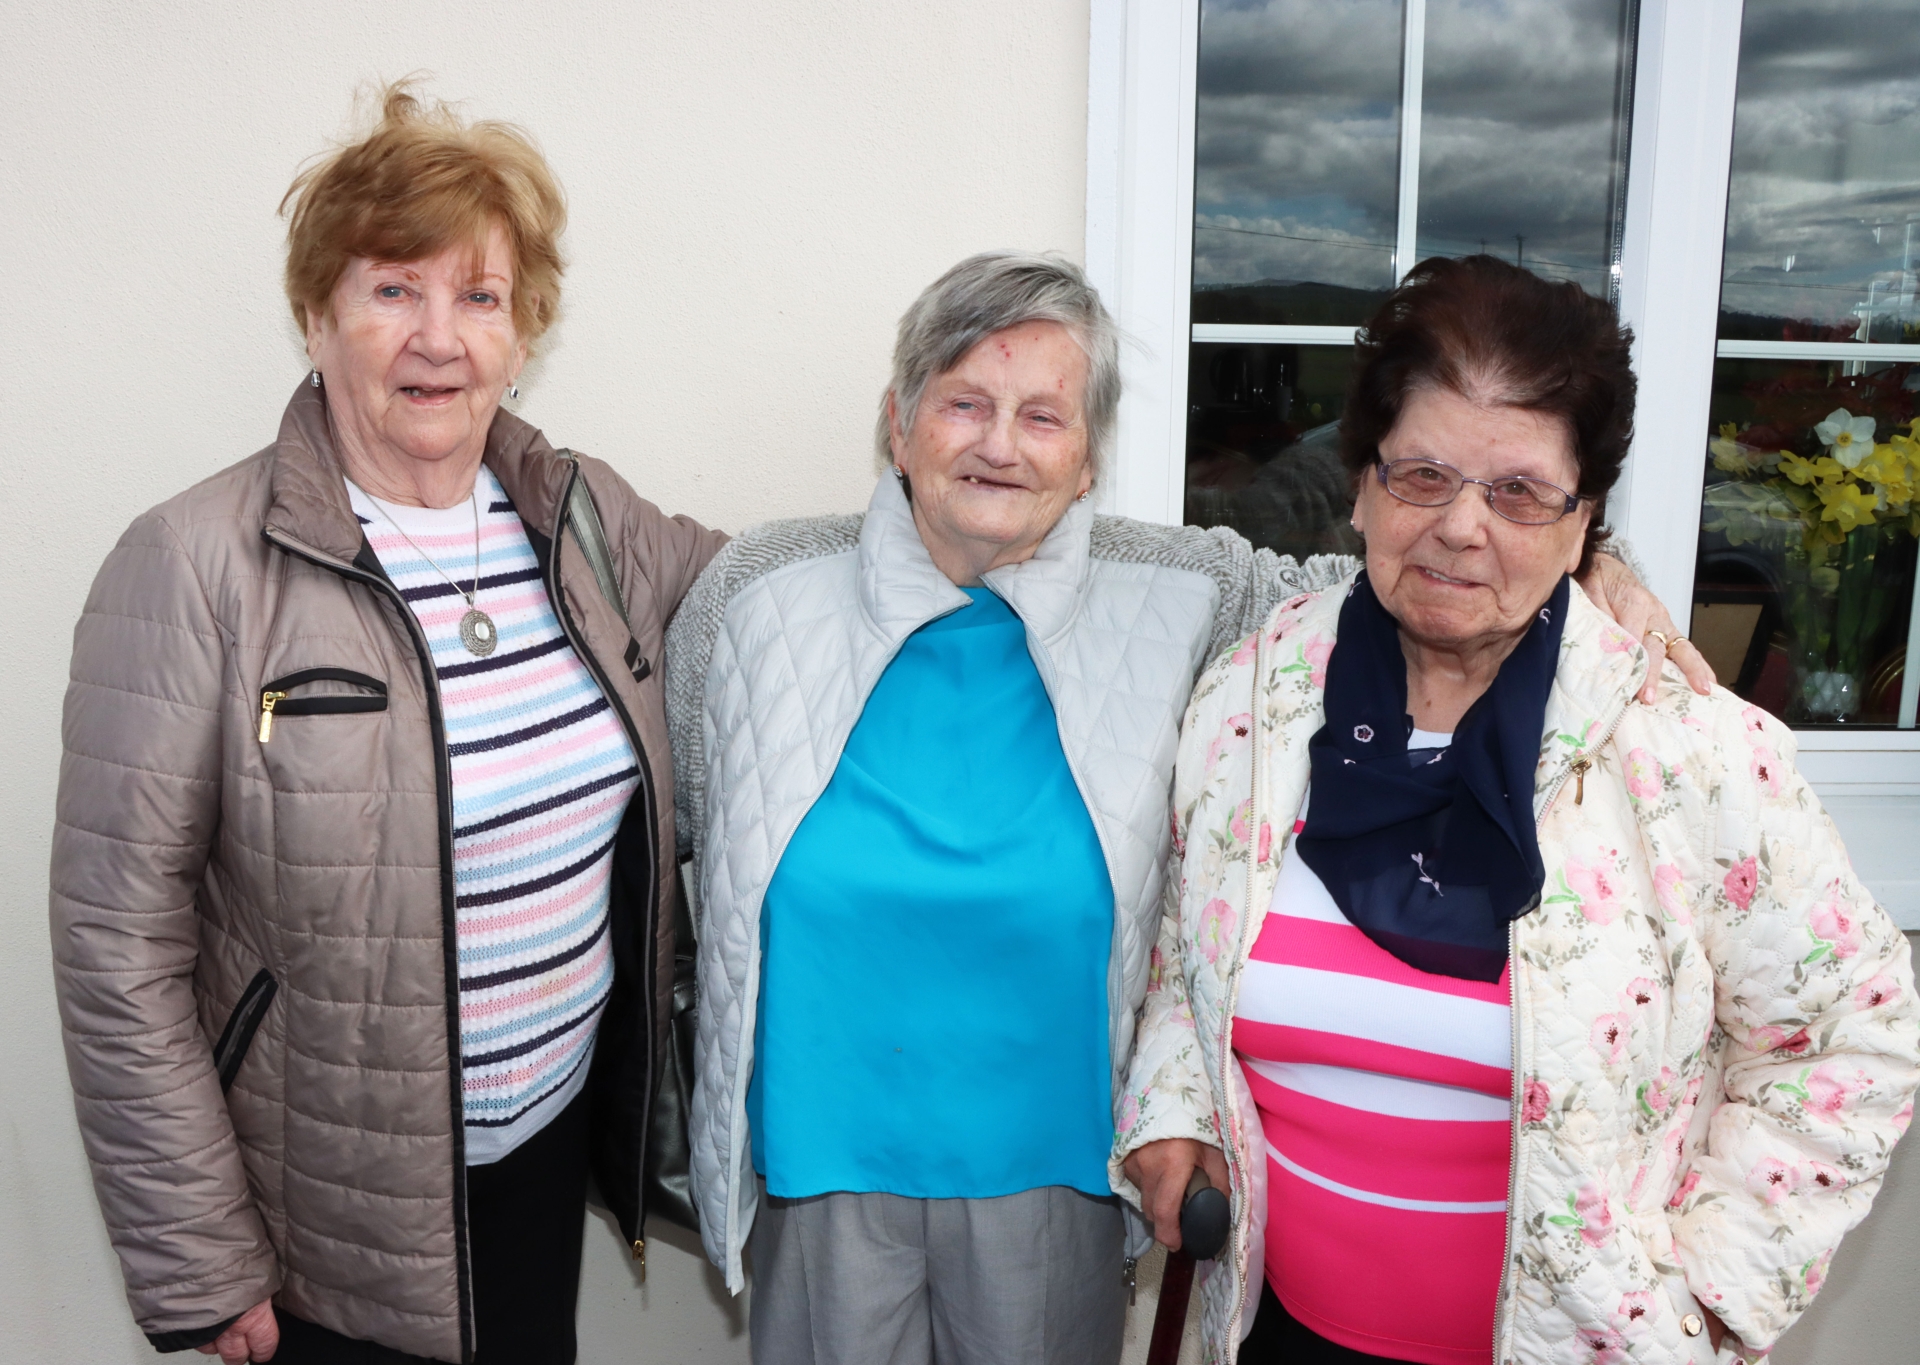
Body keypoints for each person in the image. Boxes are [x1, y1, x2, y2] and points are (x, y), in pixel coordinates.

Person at [665, 251, 1705, 1365]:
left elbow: (1418, 573)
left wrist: (1604, 567)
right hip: (819, 1162)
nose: (999, 443)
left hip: (1053, 1174)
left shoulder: (1184, 594)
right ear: (899, 420)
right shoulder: (760, 591)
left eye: (1043, 415)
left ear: (1088, 455)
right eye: (964, 402)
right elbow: (690, 816)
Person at [1120, 255, 1920, 1365]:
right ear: (1359, 483)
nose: (1460, 528)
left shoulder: (1685, 750)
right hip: (1280, 1338)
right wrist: (1177, 1112)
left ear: (1584, 520)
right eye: (1422, 476)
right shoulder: (1251, 702)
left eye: (1519, 492)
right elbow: (1183, 947)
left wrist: (1708, 1299)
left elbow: (1853, 1032)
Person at [49, 85, 725, 1364]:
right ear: (318, 319)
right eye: (392, 290)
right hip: (321, 1224)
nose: (439, 337)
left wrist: (980, 509)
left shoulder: (586, 521)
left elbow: (773, 597)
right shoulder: (192, 565)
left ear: (523, 335)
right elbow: (112, 946)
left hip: (539, 1160)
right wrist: (199, 1255)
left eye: (480, 297)